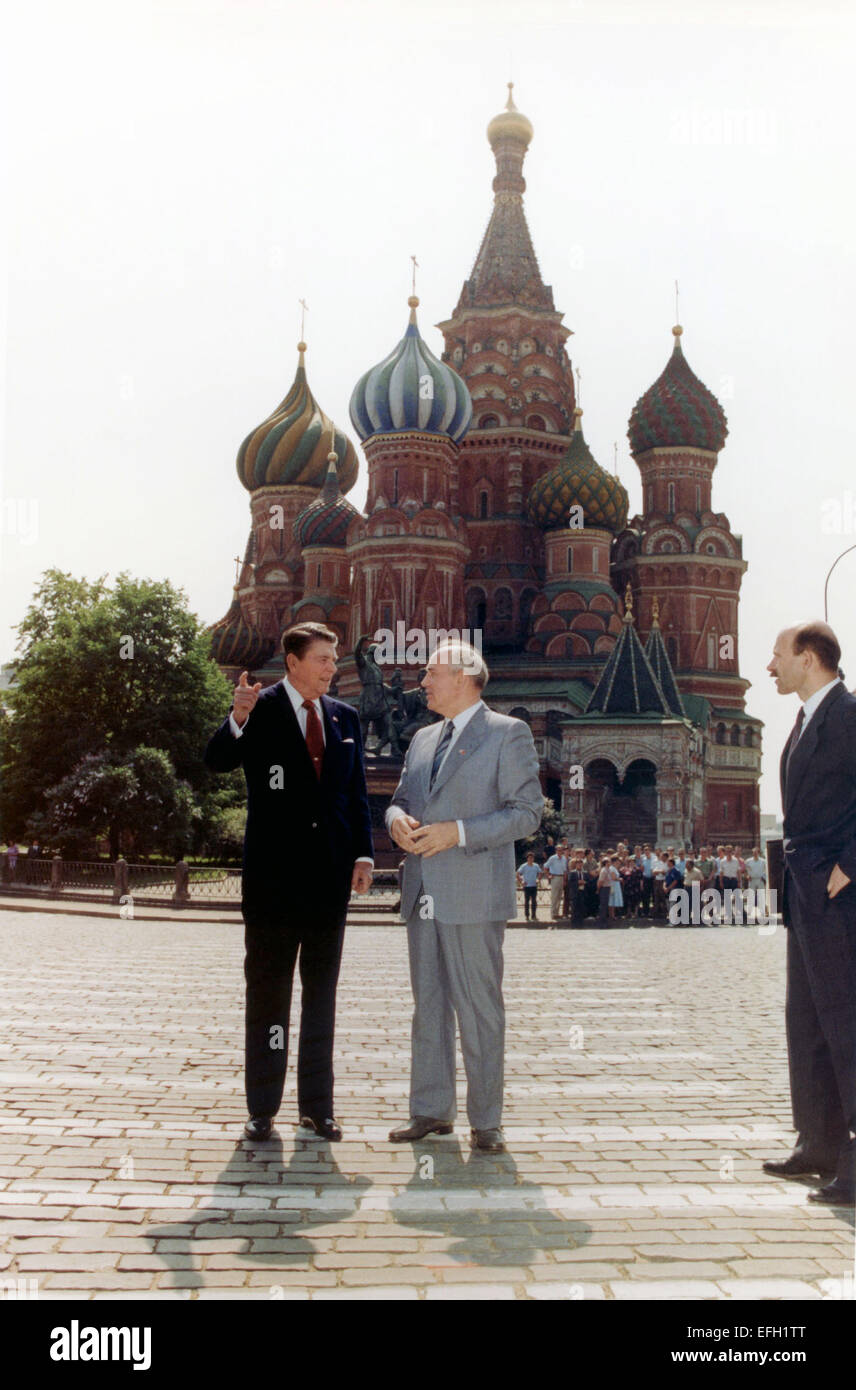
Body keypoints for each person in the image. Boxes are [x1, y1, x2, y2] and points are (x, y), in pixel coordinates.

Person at [204, 622, 373, 1144]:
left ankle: (317, 1108)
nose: (332, 667)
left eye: (334, 657)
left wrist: (363, 854)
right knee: (269, 997)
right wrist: (237, 717)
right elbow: (216, 761)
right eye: (323, 658)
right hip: (274, 885)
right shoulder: (262, 708)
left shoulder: (345, 716)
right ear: (294, 661)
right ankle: (262, 1108)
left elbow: (356, 793)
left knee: (321, 996)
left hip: (328, 884)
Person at [385, 641, 541, 1154]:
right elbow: (402, 799)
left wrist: (459, 832)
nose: (422, 681)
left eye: (431, 672)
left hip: (473, 892)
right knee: (427, 1005)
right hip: (422, 891)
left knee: (478, 1007)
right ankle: (430, 1111)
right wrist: (395, 820)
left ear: (465, 676)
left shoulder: (507, 733)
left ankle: (486, 1121)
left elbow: (526, 814)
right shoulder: (423, 738)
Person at [762, 621, 856, 1206]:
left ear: (810, 657)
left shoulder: (847, 716)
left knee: (847, 1023)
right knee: (809, 1020)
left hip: (839, 895)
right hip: (805, 893)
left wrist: (847, 868)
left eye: (778, 655)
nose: (770, 666)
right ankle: (817, 1142)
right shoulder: (805, 719)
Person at [543, 845, 568, 925]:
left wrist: (564, 880)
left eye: (561, 850)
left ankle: (557, 913)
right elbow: (545, 866)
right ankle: (553, 913)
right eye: (558, 850)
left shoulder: (564, 858)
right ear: (556, 850)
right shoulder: (552, 858)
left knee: (559, 896)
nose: (560, 851)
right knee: (554, 896)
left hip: (561, 877)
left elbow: (565, 870)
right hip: (555, 877)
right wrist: (548, 876)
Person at [744, 844, 767, 923]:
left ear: (759, 853)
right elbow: (745, 871)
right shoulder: (748, 861)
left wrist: (764, 878)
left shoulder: (763, 861)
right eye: (753, 852)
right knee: (751, 896)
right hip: (752, 879)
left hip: (760, 879)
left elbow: (765, 870)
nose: (755, 854)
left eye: (756, 852)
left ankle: (762, 912)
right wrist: (747, 876)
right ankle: (749, 912)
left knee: (761, 895)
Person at [517, 852, 540, 923]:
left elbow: (540, 873)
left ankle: (534, 915)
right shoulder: (524, 866)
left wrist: (538, 879)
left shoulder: (536, 866)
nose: (531, 859)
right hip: (527, 886)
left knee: (534, 901)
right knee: (527, 901)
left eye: (532, 858)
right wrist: (521, 881)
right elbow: (517, 873)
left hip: (534, 885)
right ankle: (527, 915)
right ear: (527, 858)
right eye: (529, 858)